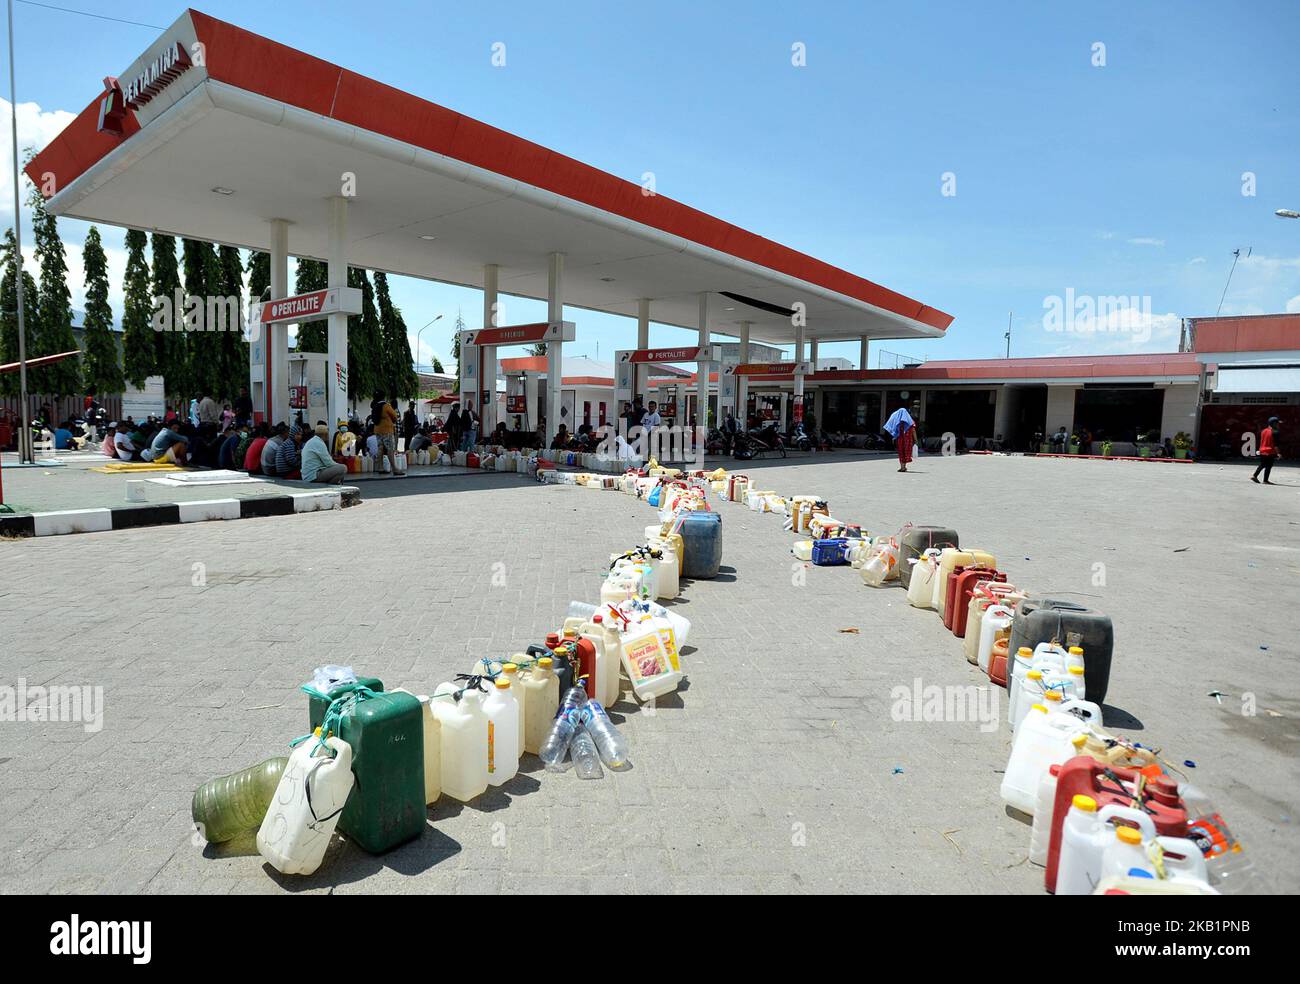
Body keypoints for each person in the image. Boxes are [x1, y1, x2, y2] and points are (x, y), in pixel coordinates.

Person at [371, 394, 402, 475]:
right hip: (387, 430)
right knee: (390, 448)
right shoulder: (386, 406)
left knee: (380, 448)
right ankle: (394, 468)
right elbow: (395, 416)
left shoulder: (375, 406)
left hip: (377, 430)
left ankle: (380, 468)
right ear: (383, 397)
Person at [884, 405, 916, 473]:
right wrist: (915, 440)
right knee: (906, 452)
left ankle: (902, 467)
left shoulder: (897, 420)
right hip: (908, 440)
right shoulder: (910, 421)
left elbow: (894, 428)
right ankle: (904, 467)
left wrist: (894, 436)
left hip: (900, 440)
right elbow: (913, 431)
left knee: (901, 452)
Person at [1251, 416, 1282, 484]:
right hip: (1270, 451)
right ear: (1273, 423)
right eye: (1277, 423)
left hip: (1262, 450)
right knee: (1269, 466)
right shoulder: (1275, 432)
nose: (1278, 425)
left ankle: (1254, 475)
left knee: (1262, 464)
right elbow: (1276, 445)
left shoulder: (1263, 431)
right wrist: (1278, 453)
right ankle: (1265, 480)